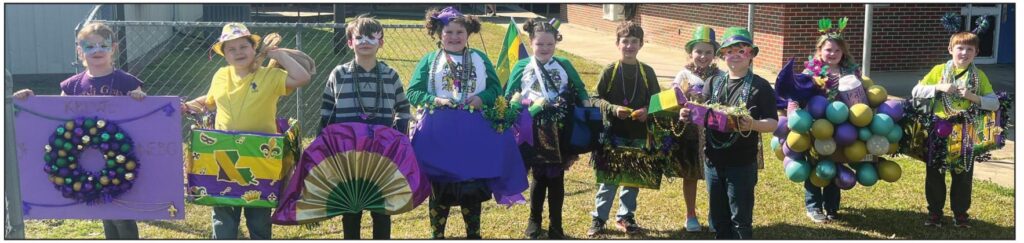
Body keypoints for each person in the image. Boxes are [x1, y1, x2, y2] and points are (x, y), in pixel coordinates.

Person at [14, 22, 145, 240]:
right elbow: (56, 117)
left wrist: (139, 97)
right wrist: (30, 101)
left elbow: (144, 112)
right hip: (87, 157)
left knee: (122, 213)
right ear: (79, 51)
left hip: (120, 158)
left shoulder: (126, 81)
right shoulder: (72, 85)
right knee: (105, 209)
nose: (97, 51)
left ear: (113, 48)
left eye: (103, 45)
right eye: (89, 46)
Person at [181, 22, 311, 239]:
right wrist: (186, 106)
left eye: (244, 46)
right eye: (231, 49)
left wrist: (278, 55)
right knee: (223, 212)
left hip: (258, 156)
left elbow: (303, 77)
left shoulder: (269, 76)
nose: (238, 52)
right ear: (224, 54)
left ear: (254, 49)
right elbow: (209, 102)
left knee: (258, 214)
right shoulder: (221, 75)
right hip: (223, 154)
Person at [406, 7, 515, 239]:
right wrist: (434, 99)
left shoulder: (480, 59)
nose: (454, 37)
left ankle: (473, 234)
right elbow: (413, 92)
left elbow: (496, 88)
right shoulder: (429, 61)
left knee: (471, 184)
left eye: (459, 32)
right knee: (439, 185)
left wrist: (481, 98)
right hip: (438, 134)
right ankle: (437, 234)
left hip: (473, 133)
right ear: (438, 33)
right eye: (449, 32)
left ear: (468, 34)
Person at [679, 27, 778, 239]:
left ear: (750, 54)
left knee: (740, 220)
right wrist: (687, 114)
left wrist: (753, 124)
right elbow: (701, 113)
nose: (735, 56)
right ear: (723, 55)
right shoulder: (713, 82)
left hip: (741, 163)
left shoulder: (760, 87)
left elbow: (772, 123)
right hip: (713, 160)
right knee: (718, 219)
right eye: (730, 51)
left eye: (741, 50)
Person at [319, 15, 410, 239]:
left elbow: (403, 108)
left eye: (372, 36)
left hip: (381, 154)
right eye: (358, 37)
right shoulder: (338, 74)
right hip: (348, 154)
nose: (365, 41)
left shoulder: (390, 75)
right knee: (351, 208)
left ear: (381, 42)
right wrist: (325, 145)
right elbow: (327, 112)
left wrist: (398, 139)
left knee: (381, 208)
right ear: (350, 43)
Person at [504, 18, 588, 239]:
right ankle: (534, 221)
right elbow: (510, 92)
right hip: (532, 126)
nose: (545, 49)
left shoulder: (564, 64)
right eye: (540, 44)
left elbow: (579, 89)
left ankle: (556, 225)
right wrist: (512, 110)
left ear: (556, 43)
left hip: (559, 127)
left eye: (549, 44)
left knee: (557, 178)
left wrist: (587, 111)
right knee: (539, 178)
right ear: (531, 42)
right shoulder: (522, 65)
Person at [911, 31, 1000, 229]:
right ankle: (935, 212)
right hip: (939, 130)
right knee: (934, 173)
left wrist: (972, 97)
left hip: (965, 132)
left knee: (963, 174)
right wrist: (939, 87)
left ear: (976, 52)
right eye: (960, 48)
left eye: (970, 49)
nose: (964, 53)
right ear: (951, 50)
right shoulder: (939, 70)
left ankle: (960, 214)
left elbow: (994, 104)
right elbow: (916, 91)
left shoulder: (979, 76)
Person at [586, 20, 660, 237]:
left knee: (632, 178)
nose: (629, 46)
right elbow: (594, 98)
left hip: (638, 134)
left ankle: (625, 216)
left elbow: (657, 101)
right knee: (608, 179)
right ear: (617, 43)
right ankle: (599, 218)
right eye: (625, 41)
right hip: (612, 134)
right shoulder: (610, 70)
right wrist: (613, 108)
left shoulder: (647, 71)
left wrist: (648, 110)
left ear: (641, 44)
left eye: (634, 42)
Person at [799, 19, 862, 223]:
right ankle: (814, 205)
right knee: (816, 164)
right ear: (819, 51)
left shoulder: (851, 72)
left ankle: (832, 207)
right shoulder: (810, 73)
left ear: (843, 52)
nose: (832, 54)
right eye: (828, 50)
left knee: (836, 163)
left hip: (843, 126)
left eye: (837, 50)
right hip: (816, 126)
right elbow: (797, 96)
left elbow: (863, 95)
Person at [670, 25, 720, 233]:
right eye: (699, 51)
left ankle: (715, 214)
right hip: (690, 134)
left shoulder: (720, 75)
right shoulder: (683, 74)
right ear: (691, 52)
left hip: (712, 134)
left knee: (714, 176)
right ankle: (691, 214)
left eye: (708, 52)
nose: (703, 56)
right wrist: (680, 111)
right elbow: (672, 102)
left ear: (715, 54)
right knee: (690, 175)